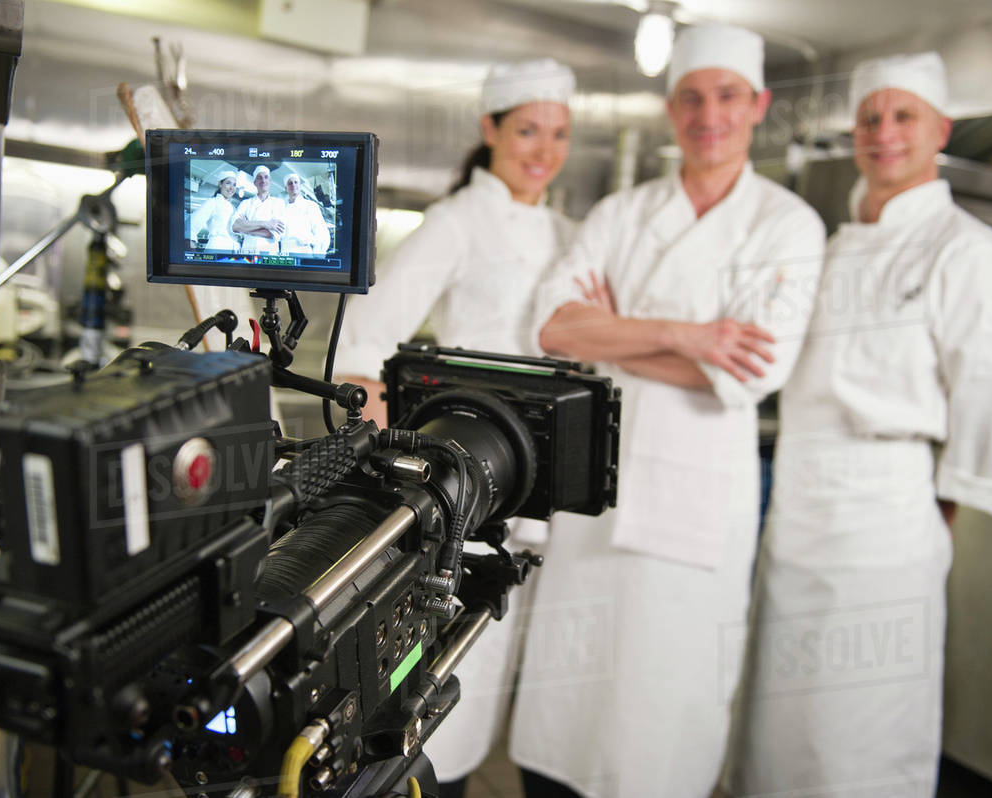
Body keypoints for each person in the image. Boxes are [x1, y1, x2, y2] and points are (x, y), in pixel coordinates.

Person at [506, 23, 826, 798]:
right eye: (691, 97)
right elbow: (549, 328)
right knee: (564, 707)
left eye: (727, 96)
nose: (707, 113)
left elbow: (753, 371)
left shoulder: (787, 224)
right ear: (671, 108)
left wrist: (610, 339)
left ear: (758, 106)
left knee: (660, 720)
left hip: (696, 512)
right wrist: (691, 336)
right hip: (595, 501)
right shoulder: (623, 212)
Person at [726, 53, 992, 797]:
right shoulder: (832, 247)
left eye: (904, 116)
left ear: (942, 129)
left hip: (887, 514)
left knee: (860, 736)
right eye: (871, 117)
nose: (884, 132)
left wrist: (947, 499)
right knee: (781, 731)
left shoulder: (966, 249)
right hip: (800, 510)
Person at [333, 58, 577, 798]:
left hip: (543, 489)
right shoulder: (458, 219)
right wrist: (392, 470)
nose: (544, 148)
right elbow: (361, 350)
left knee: (500, 671)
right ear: (490, 129)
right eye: (528, 128)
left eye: (559, 134)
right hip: (470, 482)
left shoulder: (570, 231)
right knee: (444, 681)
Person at [231, 165, 286, 254]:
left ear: (270, 181)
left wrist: (246, 228)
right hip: (247, 252)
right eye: (259, 178)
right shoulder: (245, 203)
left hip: (269, 253)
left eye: (266, 177)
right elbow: (235, 226)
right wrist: (266, 224)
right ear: (255, 182)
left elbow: (277, 234)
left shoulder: (279, 203)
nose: (263, 180)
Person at [279, 173, 330, 255]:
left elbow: (321, 232)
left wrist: (317, 253)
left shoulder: (311, 206)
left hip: (305, 251)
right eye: (290, 183)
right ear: (286, 188)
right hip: (286, 252)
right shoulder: (282, 208)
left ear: (300, 186)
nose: (293, 185)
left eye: (296, 182)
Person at [189, 170, 239, 252]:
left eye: (234, 185)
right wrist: (191, 243)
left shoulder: (233, 207)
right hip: (217, 248)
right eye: (228, 183)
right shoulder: (213, 202)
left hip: (233, 250)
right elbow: (193, 222)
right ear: (220, 184)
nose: (231, 188)